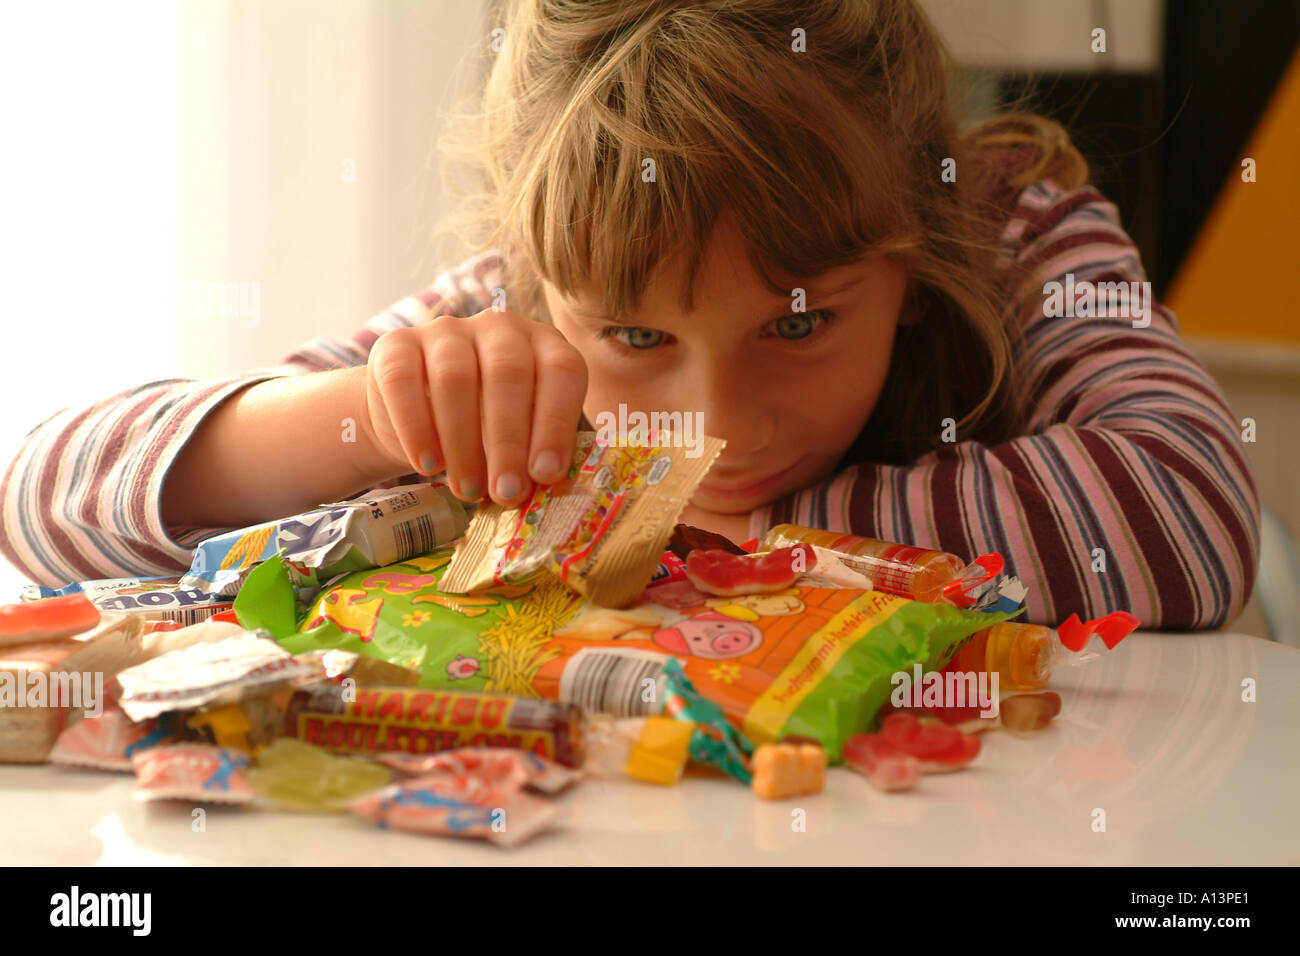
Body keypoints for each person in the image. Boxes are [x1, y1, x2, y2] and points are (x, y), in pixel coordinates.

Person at [0, 0, 1258, 629]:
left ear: (917, 254)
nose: (719, 425)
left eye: (801, 323)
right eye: (640, 341)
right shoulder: (534, 290)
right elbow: (40, 499)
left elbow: (1187, 510)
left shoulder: (1012, 225)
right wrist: (368, 413)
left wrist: (693, 536)